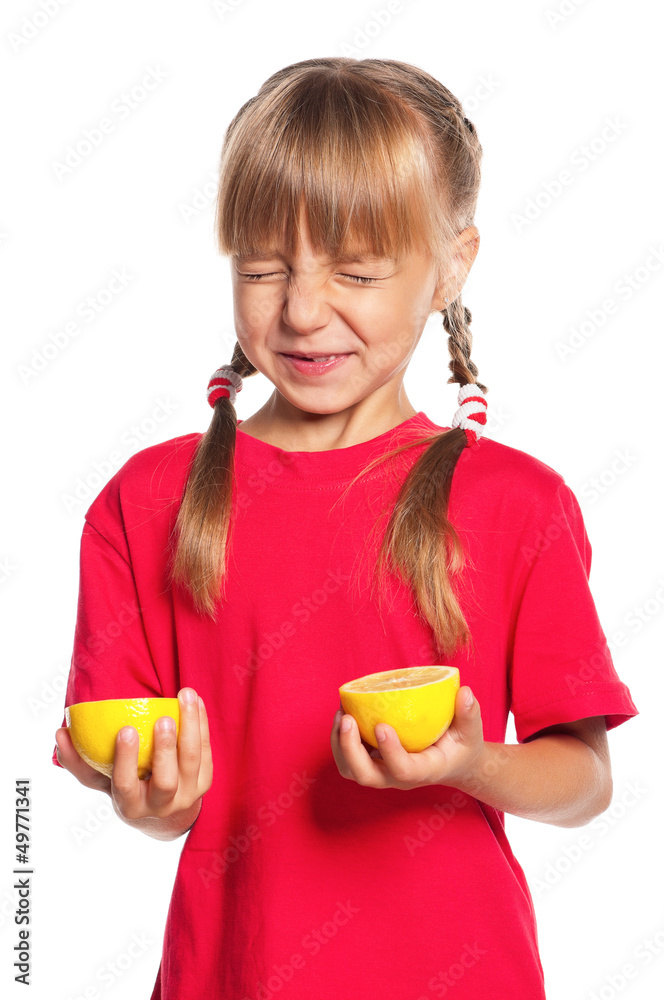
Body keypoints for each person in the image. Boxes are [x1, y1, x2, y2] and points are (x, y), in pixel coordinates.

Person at [52, 57, 638, 999]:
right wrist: (154, 803)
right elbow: (127, 770)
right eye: (262, 266)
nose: (302, 309)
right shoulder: (145, 502)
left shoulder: (517, 504)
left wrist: (473, 762)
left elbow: (585, 779)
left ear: (453, 264)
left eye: (357, 270)